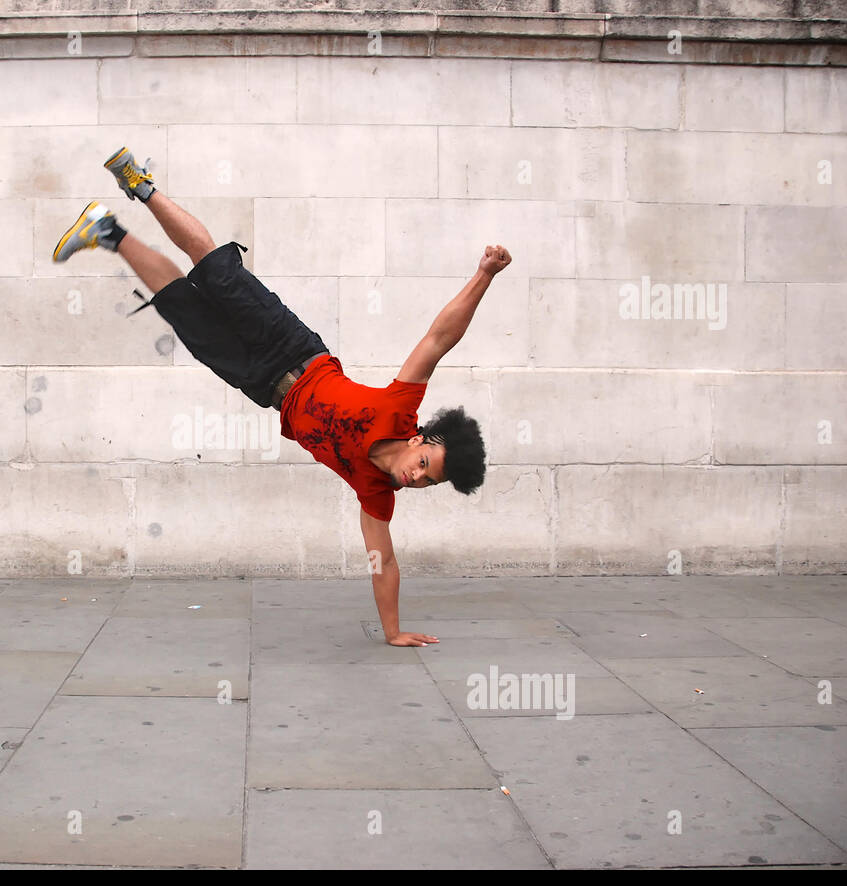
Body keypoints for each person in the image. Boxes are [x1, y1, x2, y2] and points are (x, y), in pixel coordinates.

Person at [54, 148, 512, 647]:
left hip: (260, 382)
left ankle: (107, 231)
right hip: (292, 346)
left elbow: (383, 561)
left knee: (179, 305)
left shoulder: (375, 493)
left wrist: (393, 631)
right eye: (425, 462)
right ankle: (140, 184)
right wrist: (484, 274)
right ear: (422, 437)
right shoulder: (398, 409)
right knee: (214, 269)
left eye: (426, 481)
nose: (415, 475)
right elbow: (438, 339)